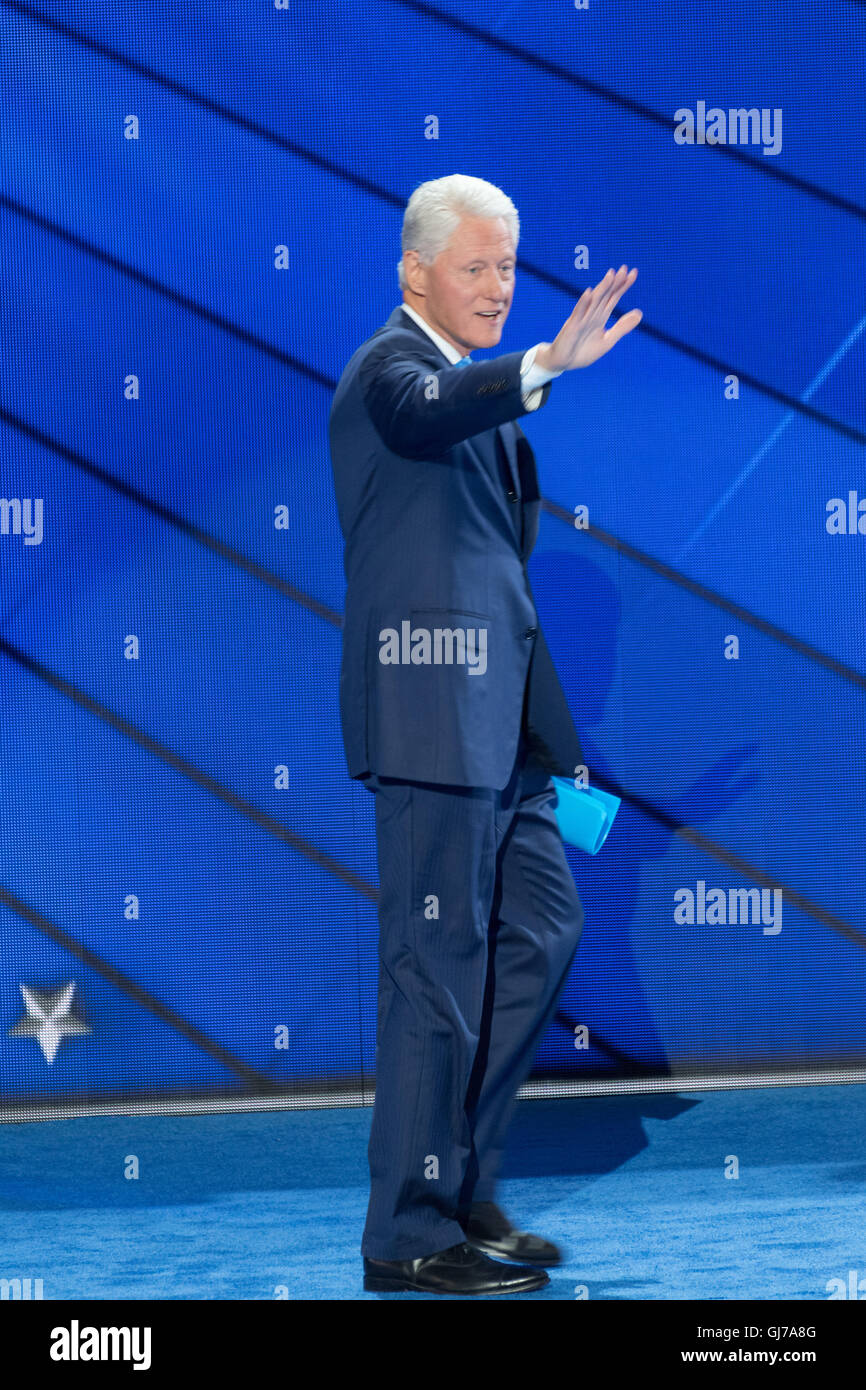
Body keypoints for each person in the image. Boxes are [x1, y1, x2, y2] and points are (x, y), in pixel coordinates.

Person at [328, 174, 641, 1295]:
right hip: (425, 726)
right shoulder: (388, 375)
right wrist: (544, 367)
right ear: (415, 270)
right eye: (477, 266)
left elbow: (503, 591)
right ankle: (407, 1233)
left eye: (509, 267)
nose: (500, 287)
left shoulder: (483, 403)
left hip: (499, 736)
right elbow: (425, 411)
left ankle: (458, 1187)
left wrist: (555, 745)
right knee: (432, 977)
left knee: (540, 933)